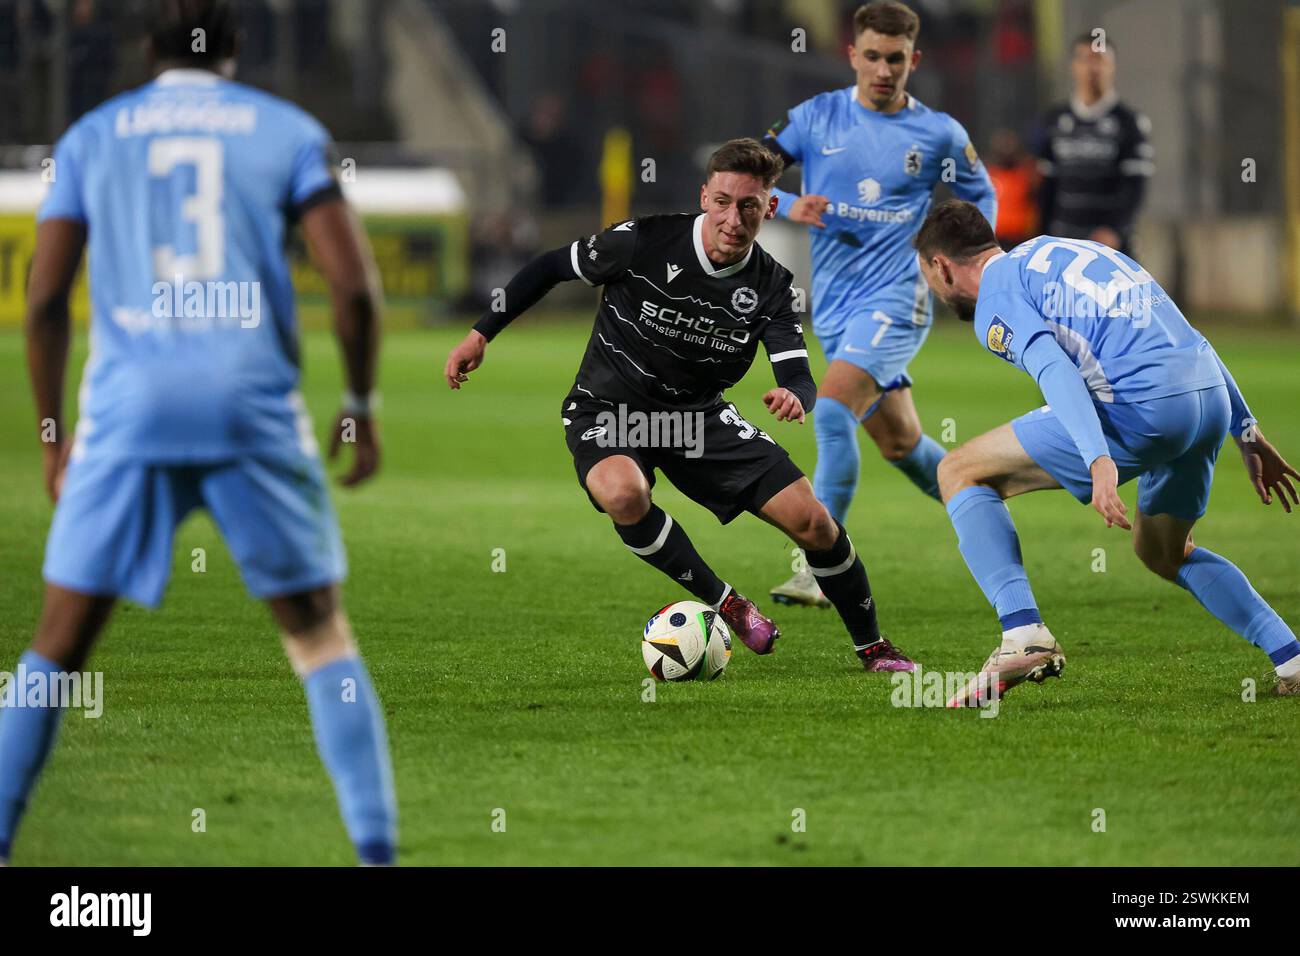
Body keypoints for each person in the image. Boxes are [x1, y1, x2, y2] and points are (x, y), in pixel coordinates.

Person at [0, 0, 397, 865]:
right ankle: (375, 853)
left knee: (56, 647)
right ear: (236, 46)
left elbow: (42, 300)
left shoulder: (93, 136)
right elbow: (355, 287)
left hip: (128, 410)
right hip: (249, 405)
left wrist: (50, 436)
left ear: (147, 48)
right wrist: (360, 405)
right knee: (319, 635)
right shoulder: (286, 131)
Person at [444, 138, 914, 672]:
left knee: (814, 522)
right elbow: (551, 266)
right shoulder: (642, 241)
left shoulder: (772, 286)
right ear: (704, 196)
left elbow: (798, 373)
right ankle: (727, 602)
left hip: (698, 419)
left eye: (749, 206)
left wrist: (794, 395)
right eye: (722, 201)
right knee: (623, 493)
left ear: (771, 208)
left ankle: (874, 649)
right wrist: (482, 333)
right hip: (608, 409)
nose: (733, 219)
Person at [911, 199, 1300, 705]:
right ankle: (1290, 657)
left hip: (1144, 409)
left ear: (941, 266)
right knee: (1162, 551)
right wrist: (1245, 430)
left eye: (928, 276)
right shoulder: (1068, 250)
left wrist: (1098, 460)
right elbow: (1190, 336)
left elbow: (1054, 369)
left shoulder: (995, 300)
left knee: (959, 470)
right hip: (1206, 401)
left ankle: (1023, 633)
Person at [761, 0, 997, 608]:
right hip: (834, 307)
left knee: (833, 410)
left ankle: (821, 564)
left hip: (898, 300)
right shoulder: (816, 118)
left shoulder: (939, 133)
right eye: (872, 56)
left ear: (913, 60)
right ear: (853, 55)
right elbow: (752, 174)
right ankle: (983, 493)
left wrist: (968, 268)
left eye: (896, 59)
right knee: (901, 446)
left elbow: (981, 197)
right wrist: (789, 206)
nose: (883, 69)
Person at [1036, 32, 1153, 255]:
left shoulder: (1130, 123)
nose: (1093, 68)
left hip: (1110, 248)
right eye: (1086, 59)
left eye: (1100, 60)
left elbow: (1134, 188)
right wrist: (1041, 237)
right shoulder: (1054, 121)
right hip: (1064, 244)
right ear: (1074, 66)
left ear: (1113, 67)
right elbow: (1047, 186)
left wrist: (1114, 230)